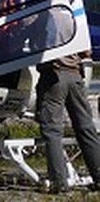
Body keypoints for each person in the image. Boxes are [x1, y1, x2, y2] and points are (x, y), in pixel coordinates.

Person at [35, 18, 100, 191]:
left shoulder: (39, 17)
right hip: (75, 75)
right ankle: (99, 175)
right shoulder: (73, 17)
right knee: (86, 127)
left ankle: (59, 182)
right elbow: (87, 52)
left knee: (52, 131)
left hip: (53, 76)